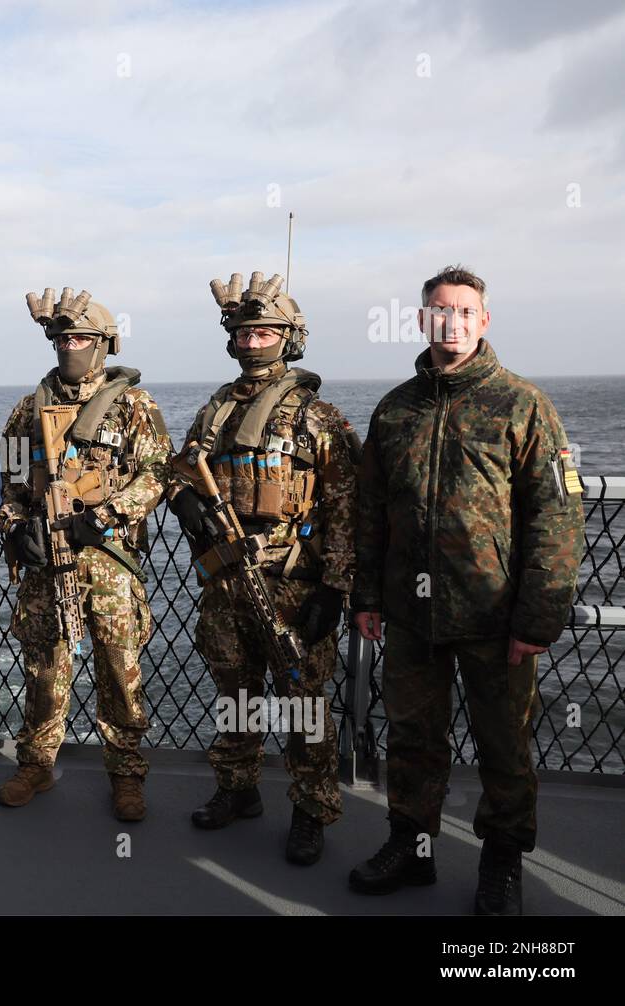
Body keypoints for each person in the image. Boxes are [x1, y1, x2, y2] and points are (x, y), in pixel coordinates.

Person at [349, 265, 585, 915]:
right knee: (412, 738)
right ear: (422, 320)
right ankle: (411, 848)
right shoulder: (396, 409)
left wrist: (536, 619)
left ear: (483, 321)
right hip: (409, 614)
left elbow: (556, 517)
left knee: (503, 746)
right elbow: (370, 511)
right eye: (438, 310)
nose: (450, 321)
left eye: (464, 311)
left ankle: (502, 862)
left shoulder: (521, 404)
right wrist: (367, 596)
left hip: (494, 614)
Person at [166, 271, 358, 864]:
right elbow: (179, 471)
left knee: (302, 702)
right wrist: (188, 504)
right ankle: (238, 788)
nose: (253, 342)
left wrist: (336, 587)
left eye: (265, 331)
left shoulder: (317, 416)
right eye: (244, 333)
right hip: (226, 580)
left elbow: (347, 505)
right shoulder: (216, 411)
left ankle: (310, 808)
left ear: (289, 336)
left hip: (293, 586)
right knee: (236, 690)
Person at [0, 287, 170, 822]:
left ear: (103, 344)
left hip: (108, 559)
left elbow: (157, 474)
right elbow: (6, 479)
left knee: (119, 668)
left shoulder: (134, 406)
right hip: (47, 557)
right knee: (44, 665)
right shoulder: (30, 408)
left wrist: (107, 516)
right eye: (63, 337)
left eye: (81, 338)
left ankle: (125, 773)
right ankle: (36, 762)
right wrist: (15, 525)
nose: (71, 346)